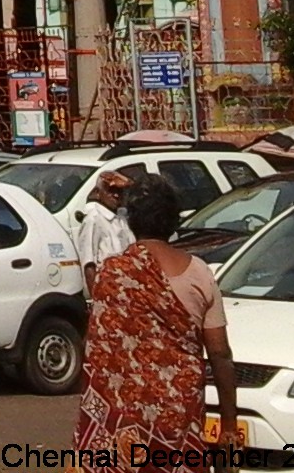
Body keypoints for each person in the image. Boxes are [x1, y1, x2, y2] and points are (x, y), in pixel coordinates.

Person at [75, 174, 237, 459]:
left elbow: (97, 354)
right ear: (175, 222)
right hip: (177, 422)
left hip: (122, 427)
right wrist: (229, 426)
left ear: (131, 221)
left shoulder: (113, 273)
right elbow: (220, 354)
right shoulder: (199, 272)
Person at [78, 170, 135, 297]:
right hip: (107, 292)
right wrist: (96, 300)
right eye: (111, 191)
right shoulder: (94, 219)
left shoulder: (122, 218)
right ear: (98, 193)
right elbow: (89, 264)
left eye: (119, 191)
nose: (116, 195)